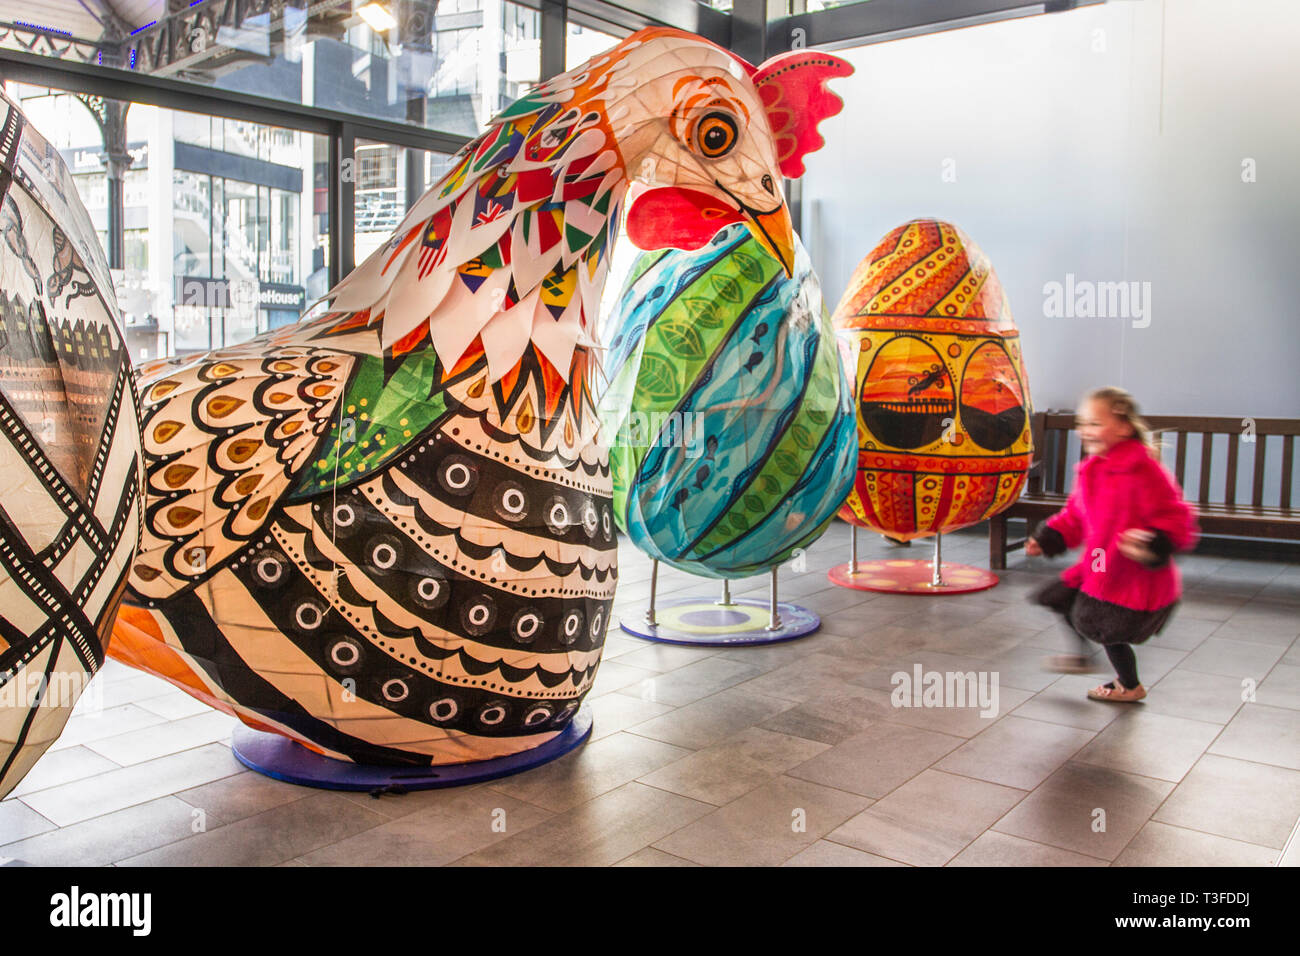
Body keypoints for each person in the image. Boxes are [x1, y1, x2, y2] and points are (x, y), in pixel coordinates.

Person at [1025, 387, 1198, 702]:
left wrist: (1154, 542)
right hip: (1100, 564)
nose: (1084, 431)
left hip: (1132, 576)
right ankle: (1085, 658)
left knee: (1106, 627)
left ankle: (1129, 685)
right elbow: (1075, 515)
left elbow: (1177, 517)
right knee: (1057, 597)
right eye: (1083, 424)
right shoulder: (1093, 470)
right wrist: (1048, 536)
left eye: (1094, 424)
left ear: (1122, 427)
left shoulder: (1144, 470)